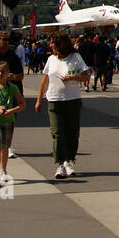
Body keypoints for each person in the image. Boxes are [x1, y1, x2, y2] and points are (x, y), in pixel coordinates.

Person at [34, 33, 89, 180]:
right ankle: (60, 163)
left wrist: (74, 77)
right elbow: (45, 81)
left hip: (72, 100)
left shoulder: (75, 58)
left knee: (72, 133)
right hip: (54, 100)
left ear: (61, 45)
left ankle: (69, 161)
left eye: (53, 43)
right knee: (57, 133)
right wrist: (39, 99)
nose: (50, 45)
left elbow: (86, 76)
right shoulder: (51, 59)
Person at [0, 61, 25, 187]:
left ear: (8, 74)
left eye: (3, 71)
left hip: (8, 120)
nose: (0, 74)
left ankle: (3, 170)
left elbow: (22, 104)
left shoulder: (13, 88)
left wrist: (11, 111)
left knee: (5, 147)